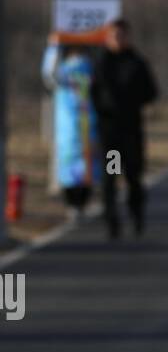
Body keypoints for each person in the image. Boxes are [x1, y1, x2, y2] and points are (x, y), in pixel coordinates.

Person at [91, 18, 159, 241]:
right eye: (114, 35)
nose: (118, 40)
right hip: (110, 132)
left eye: (122, 35)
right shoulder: (101, 63)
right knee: (110, 178)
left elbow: (151, 92)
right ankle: (112, 221)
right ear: (108, 37)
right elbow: (92, 93)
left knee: (133, 177)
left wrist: (132, 100)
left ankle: (136, 216)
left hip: (131, 130)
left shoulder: (137, 62)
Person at [41, 36, 101, 223]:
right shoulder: (67, 71)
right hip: (73, 128)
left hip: (82, 127)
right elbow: (49, 75)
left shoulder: (90, 70)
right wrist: (53, 46)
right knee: (76, 168)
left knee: (83, 167)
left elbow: (48, 73)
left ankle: (79, 204)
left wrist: (53, 48)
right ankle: (78, 204)